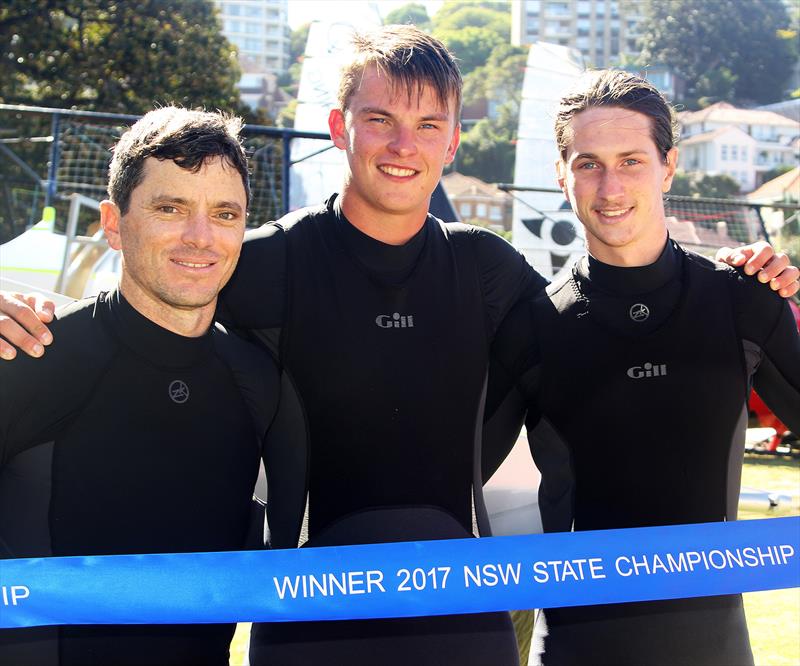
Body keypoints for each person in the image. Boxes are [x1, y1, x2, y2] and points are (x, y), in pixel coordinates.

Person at [0, 26, 798, 666]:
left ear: (453, 144)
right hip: (311, 628)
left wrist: (736, 279)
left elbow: (609, 322)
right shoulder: (264, 260)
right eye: (379, 119)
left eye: (427, 125)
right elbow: (153, 300)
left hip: (463, 629)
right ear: (341, 127)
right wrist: (31, 312)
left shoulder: (488, 271)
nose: (400, 145)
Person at [483, 70, 800, 666]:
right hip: (581, 646)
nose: (609, 187)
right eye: (587, 164)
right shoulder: (532, 327)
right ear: (561, 174)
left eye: (631, 161)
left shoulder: (742, 298)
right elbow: (452, 480)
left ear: (669, 165)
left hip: (716, 646)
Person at [0, 107, 285, 666]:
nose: (200, 237)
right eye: (170, 208)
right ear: (113, 223)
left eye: (224, 214)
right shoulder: (32, 355)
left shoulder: (257, 380)